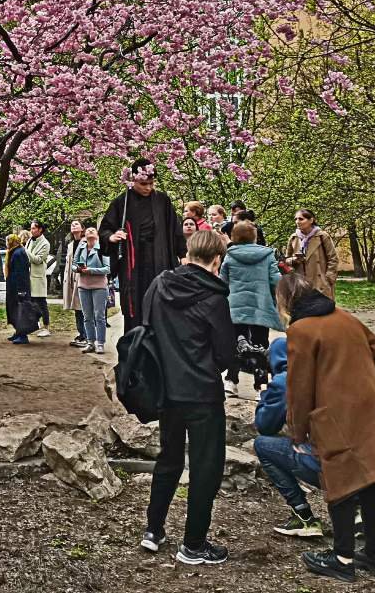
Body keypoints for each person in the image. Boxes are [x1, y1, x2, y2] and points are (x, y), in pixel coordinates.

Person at [281, 271, 375, 583]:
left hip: (335, 417)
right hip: (368, 412)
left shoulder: (301, 330)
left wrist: (297, 431)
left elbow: (299, 387)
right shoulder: (346, 317)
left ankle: (342, 559)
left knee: (340, 488)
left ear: (286, 302)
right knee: (366, 484)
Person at [140, 230, 234, 565]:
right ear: (216, 260)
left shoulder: (159, 285)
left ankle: (153, 529)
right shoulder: (215, 298)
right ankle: (193, 544)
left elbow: (145, 328)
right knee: (205, 467)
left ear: (189, 253)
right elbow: (225, 353)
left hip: (167, 389)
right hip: (202, 393)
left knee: (168, 459)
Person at [99, 158, 185, 330]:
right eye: (143, 183)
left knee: (160, 306)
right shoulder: (121, 202)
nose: (148, 188)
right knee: (135, 308)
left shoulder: (163, 201)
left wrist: (183, 255)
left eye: (151, 183)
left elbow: (176, 229)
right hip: (134, 265)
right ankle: (134, 348)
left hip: (160, 260)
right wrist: (111, 237)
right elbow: (106, 228)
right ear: (133, 180)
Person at [252, 336, 325, 537]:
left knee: (262, 445)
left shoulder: (286, 380)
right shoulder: (323, 371)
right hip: (358, 465)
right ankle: (357, 514)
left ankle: (303, 515)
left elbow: (264, 425)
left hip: (323, 463)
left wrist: (266, 393)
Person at [219, 221, 282, 396]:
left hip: (236, 308)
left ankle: (231, 381)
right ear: (255, 237)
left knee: (236, 343)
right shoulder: (268, 255)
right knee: (261, 344)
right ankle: (260, 386)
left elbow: (222, 281)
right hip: (261, 307)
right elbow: (276, 280)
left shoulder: (230, 256)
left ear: (233, 237)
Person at [71, 227, 110, 354]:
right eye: (88, 230)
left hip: (99, 286)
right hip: (83, 286)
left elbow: (107, 269)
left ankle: (100, 343)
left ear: (97, 235)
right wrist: (78, 269)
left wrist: (91, 270)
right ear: (84, 234)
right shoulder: (81, 247)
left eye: (93, 230)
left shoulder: (102, 247)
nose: (90, 231)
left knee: (99, 316)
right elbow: (73, 264)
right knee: (87, 317)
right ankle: (90, 342)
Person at [285, 209, 338, 299]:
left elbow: (333, 258)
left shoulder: (322, 236)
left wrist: (328, 278)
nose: (297, 222)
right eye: (295, 219)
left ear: (311, 220)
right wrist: (294, 260)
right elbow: (286, 259)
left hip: (319, 282)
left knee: (322, 311)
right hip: (300, 282)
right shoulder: (294, 237)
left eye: (301, 219)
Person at [3, 233, 35, 345]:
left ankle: (22, 335)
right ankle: (18, 332)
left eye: (7, 241)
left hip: (19, 288)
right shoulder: (15, 252)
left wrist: (22, 290)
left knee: (20, 311)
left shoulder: (18, 253)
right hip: (14, 287)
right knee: (15, 310)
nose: (6, 243)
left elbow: (21, 273)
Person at [59, 220, 86, 347]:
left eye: (76, 224)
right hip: (71, 279)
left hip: (82, 278)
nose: (73, 225)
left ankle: (86, 335)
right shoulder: (70, 245)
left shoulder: (86, 242)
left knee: (83, 308)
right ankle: (81, 333)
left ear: (82, 228)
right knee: (77, 308)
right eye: (72, 224)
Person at [26, 220, 52, 337]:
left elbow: (38, 260)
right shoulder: (30, 240)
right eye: (31, 229)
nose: (31, 231)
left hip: (38, 278)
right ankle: (33, 325)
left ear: (40, 229)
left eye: (33, 228)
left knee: (41, 303)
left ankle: (46, 327)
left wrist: (25, 251)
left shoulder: (45, 243)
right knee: (31, 303)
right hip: (28, 277)